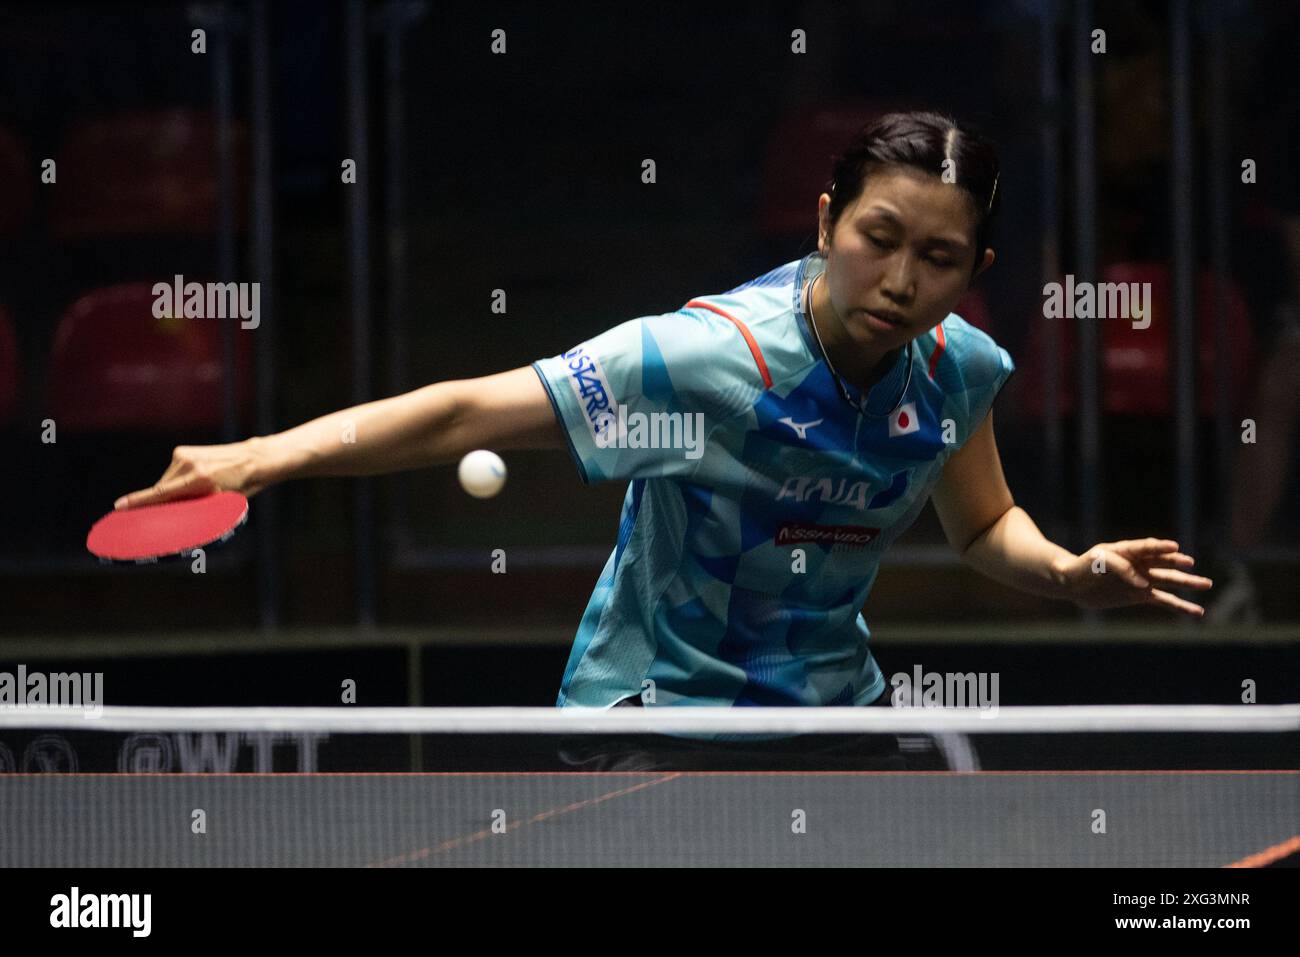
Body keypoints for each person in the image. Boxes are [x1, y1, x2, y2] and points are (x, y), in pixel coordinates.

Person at [115, 111, 1213, 770]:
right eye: (878, 238)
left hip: (837, 721)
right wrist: (253, 460)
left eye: (937, 257)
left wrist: (1069, 574)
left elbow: (983, 525)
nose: (900, 278)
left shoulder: (958, 368)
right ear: (827, 220)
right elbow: (463, 413)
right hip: (654, 722)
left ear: (974, 272)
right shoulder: (702, 360)